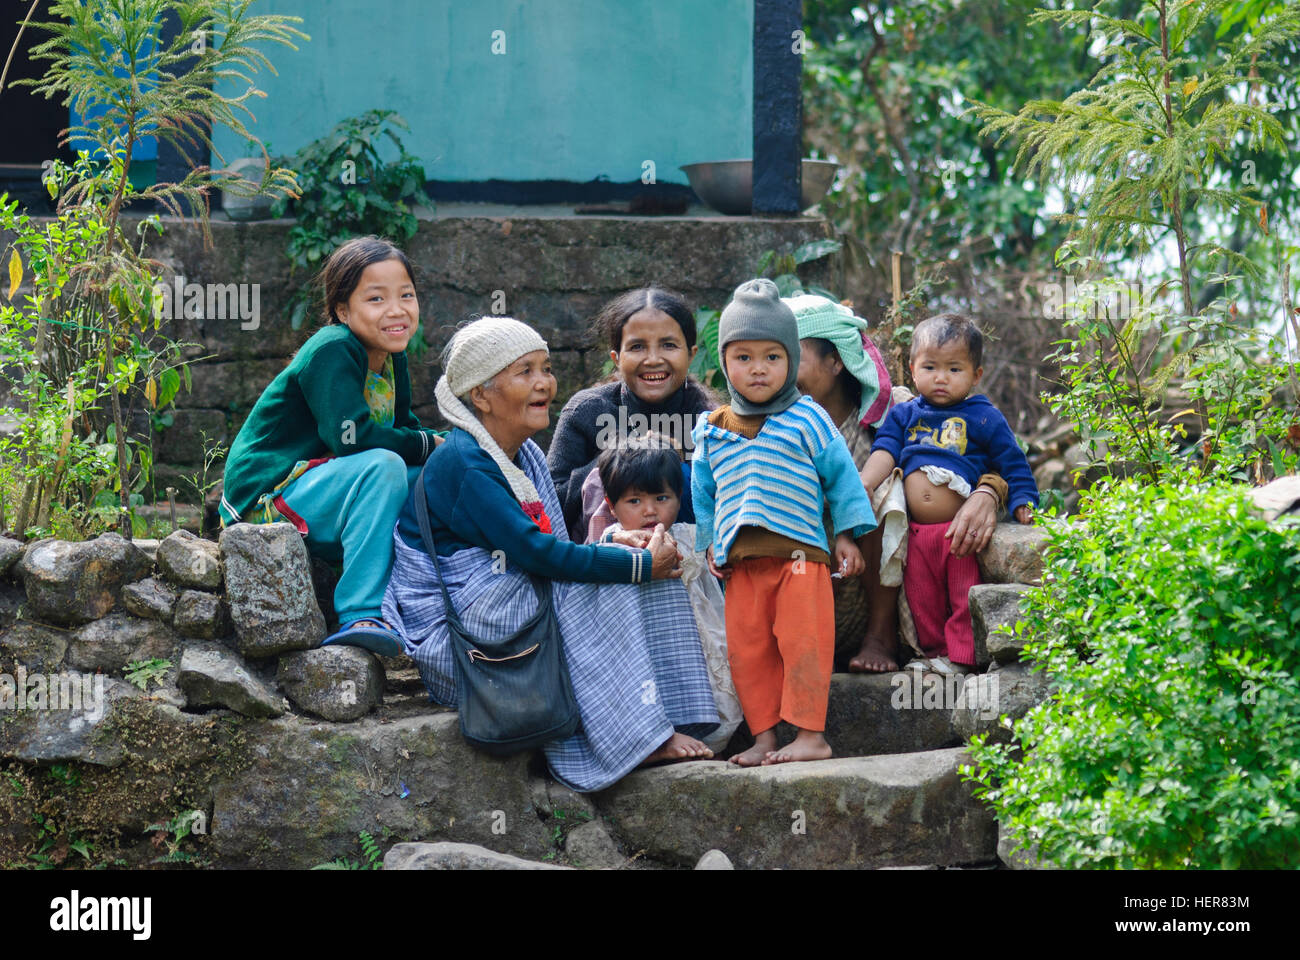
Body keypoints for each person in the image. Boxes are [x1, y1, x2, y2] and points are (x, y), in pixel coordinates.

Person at [383, 317, 720, 793]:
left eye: (545, 368)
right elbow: (538, 554)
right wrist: (632, 563)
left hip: (506, 593)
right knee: (623, 573)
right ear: (481, 395)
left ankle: (675, 716)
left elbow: (554, 550)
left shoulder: (521, 454)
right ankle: (635, 738)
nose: (545, 383)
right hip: (466, 629)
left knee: (637, 556)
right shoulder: (466, 462)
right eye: (525, 372)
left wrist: (627, 550)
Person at [218, 236, 444, 656]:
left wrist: (440, 451)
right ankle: (360, 611)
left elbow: (403, 427)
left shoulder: (390, 355)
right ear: (343, 310)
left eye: (406, 295)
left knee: (434, 477)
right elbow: (351, 437)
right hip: (270, 495)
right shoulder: (333, 348)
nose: (397, 310)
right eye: (376, 299)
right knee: (385, 466)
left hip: (327, 486)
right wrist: (429, 443)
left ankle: (426, 601)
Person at [692, 279, 877, 766]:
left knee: (803, 646)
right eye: (744, 357)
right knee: (749, 653)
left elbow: (842, 481)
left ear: (791, 362)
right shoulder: (711, 428)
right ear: (724, 363)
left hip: (801, 562)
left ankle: (811, 736)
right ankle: (765, 738)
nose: (758, 369)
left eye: (772, 357)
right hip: (741, 566)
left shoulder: (808, 418)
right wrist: (710, 542)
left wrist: (846, 535)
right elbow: (703, 493)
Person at [789, 294, 1009, 673]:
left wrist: (989, 490)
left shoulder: (898, 412)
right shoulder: (774, 425)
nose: (778, 370)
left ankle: (886, 637)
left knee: (884, 488)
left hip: (873, 593)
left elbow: (998, 457)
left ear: (836, 361)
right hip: (804, 595)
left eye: (792, 357)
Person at [859, 313, 1038, 670]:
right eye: (931, 367)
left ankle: (963, 658)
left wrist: (1023, 501)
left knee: (961, 596)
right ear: (912, 369)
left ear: (976, 375)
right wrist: (864, 484)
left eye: (954, 369)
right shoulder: (904, 414)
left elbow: (1012, 461)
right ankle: (934, 654)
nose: (941, 378)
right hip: (915, 532)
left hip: (960, 532)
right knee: (922, 598)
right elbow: (885, 451)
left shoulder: (983, 416)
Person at [595, 435, 744, 753]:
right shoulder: (615, 541)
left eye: (662, 498)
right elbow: (604, 545)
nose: (650, 512)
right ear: (611, 504)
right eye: (634, 501)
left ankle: (696, 731)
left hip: (696, 635)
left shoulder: (692, 537)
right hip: (641, 644)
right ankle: (655, 737)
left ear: (680, 495)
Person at [548, 287, 718, 542]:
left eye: (668, 345)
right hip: (601, 569)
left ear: (691, 354)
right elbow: (549, 506)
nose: (652, 359)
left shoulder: (710, 422)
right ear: (616, 358)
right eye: (637, 347)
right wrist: (619, 457)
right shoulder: (586, 411)